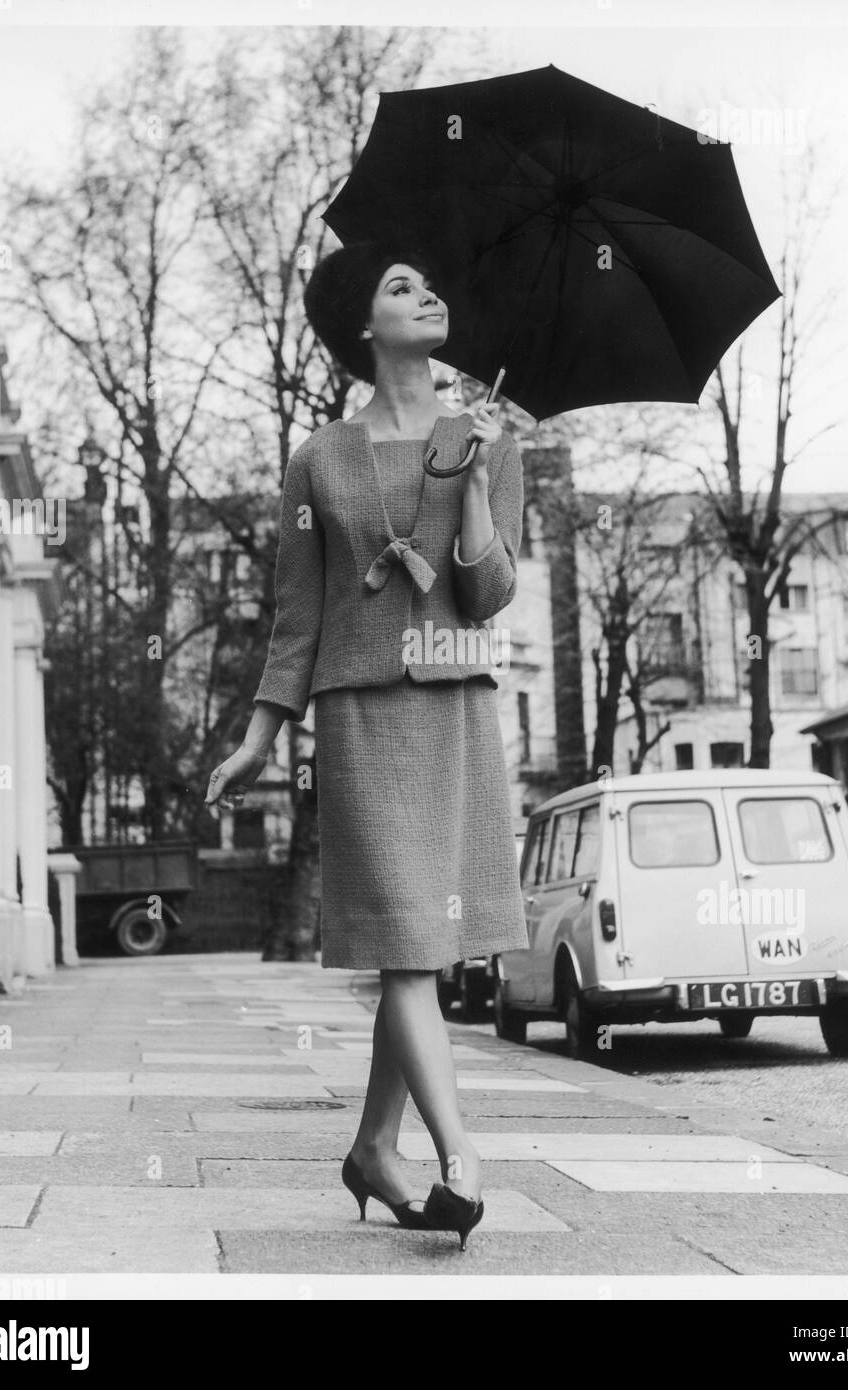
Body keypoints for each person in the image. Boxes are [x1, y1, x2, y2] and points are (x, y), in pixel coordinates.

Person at [205, 241, 529, 1251]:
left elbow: (488, 592)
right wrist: (263, 730)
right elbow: (297, 615)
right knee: (403, 944)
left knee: (417, 948)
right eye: (401, 286)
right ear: (364, 326)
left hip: (456, 710)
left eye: (434, 284)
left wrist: (474, 485)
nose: (426, 294)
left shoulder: (491, 435)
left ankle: (372, 1150)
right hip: (358, 721)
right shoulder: (320, 459)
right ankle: (459, 1156)